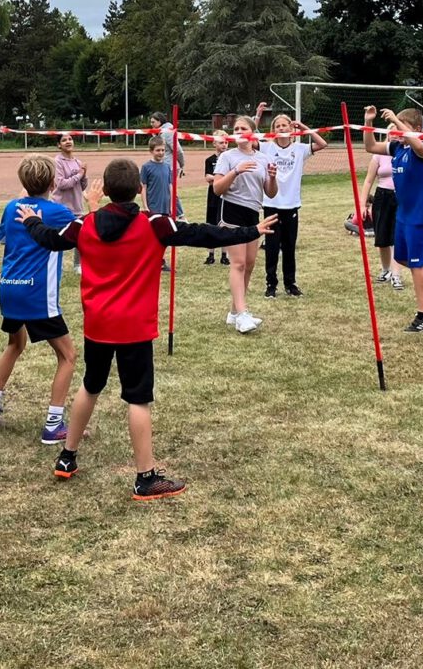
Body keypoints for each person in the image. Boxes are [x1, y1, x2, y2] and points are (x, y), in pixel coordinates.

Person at [19, 158, 275, 500]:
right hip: (134, 329)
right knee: (138, 399)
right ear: (140, 189)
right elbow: (202, 233)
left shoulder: (85, 225)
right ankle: (146, 477)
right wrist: (250, 231)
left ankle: (67, 456)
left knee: (90, 386)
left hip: (98, 326)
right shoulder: (155, 224)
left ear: (106, 191)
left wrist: (33, 220)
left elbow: (49, 239)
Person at [0, 155, 76, 440]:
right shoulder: (56, 212)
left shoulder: (11, 207)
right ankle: (54, 424)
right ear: (54, 182)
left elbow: (2, 239)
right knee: (68, 356)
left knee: (15, 343)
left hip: (9, 287)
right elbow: (84, 231)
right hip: (37, 294)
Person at [362, 105, 423, 333]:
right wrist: (368, 122)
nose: (396, 131)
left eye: (402, 127)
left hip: (421, 216)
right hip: (404, 214)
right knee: (402, 259)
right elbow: (370, 146)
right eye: (394, 127)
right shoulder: (397, 148)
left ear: (417, 129)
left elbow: (418, 145)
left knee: (416, 264)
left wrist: (398, 123)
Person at [213, 117, 278, 332]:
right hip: (232, 211)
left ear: (253, 132)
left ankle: (234, 312)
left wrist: (272, 178)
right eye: (236, 129)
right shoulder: (227, 157)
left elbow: (270, 192)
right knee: (238, 263)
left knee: (249, 264)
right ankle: (242, 314)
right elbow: (217, 189)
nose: (239, 131)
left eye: (243, 128)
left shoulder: (263, 158)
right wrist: (236, 171)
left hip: (253, 213)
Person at [260, 114, 327, 298]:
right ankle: (271, 284)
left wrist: (304, 127)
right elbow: (248, 139)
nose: (281, 128)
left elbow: (322, 144)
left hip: (291, 205)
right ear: (273, 130)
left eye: (285, 125)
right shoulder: (266, 147)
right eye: (278, 126)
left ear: (291, 130)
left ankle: (290, 284)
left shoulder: (299, 149)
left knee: (289, 246)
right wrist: (257, 116)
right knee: (272, 247)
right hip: (271, 204)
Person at [361, 151, 403, 291]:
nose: (394, 137)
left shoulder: (405, 153)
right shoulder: (378, 156)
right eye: (391, 134)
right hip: (382, 196)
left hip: (401, 196)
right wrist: (362, 204)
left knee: (397, 237)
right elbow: (368, 180)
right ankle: (386, 270)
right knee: (382, 236)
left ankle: (396, 275)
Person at [139, 136, 182, 272]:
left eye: (163, 150)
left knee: (164, 235)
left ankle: (160, 261)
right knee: (152, 236)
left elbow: (170, 187)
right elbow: (143, 187)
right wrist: (145, 206)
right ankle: (151, 261)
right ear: (151, 151)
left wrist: (171, 205)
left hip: (165, 207)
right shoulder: (146, 167)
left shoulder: (167, 167)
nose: (161, 153)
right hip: (153, 206)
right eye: (158, 150)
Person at [53, 133, 88, 274]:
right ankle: (57, 265)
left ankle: (77, 265)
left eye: (70, 139)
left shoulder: (78, 163)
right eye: (64, 140)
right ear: (59, 145)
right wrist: (79, 174)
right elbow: (61, 184)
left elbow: (82, 186)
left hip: (77, 206)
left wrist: (84, 175)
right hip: (60, 206)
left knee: (80, 237)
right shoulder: (57, 162)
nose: (68, 142)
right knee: (58, 237)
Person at [202, 131, 230, 265]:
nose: (224, 145)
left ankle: (225, 255)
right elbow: (208, 177)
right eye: (221, 142)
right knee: (212, 224)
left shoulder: (230, 158)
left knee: (224, 225)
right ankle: (211, 254)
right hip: (213, 196)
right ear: (214, 143)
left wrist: (219, 179)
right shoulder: (210, 160)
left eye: (226, 142)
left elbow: (231, 177)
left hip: (226, 196)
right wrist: (221, 178)